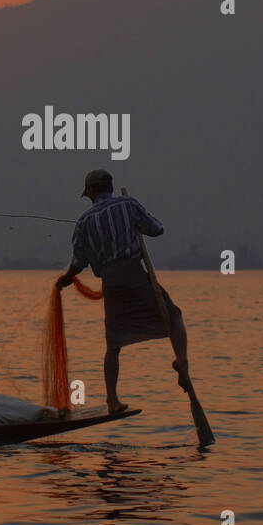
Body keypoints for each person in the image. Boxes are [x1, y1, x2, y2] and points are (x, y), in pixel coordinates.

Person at [54, 169, 191, 414]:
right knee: (174, 317)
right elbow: (157, 229)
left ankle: (112, 400)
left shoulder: (84, 222)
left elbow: (79, 262)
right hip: (134, 274)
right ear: (110, 188)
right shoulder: (128, 204)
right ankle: (182, 361)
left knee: (113, 345)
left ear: (91, 192)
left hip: (112, 283)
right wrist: (138, 224)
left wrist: (66, 279)